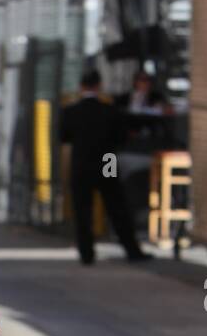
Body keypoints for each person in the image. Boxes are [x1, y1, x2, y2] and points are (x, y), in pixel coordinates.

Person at [59, 67, 151, 265]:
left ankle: (87, 253)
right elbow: (121, 137)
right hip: (106, 161)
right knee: (116, 206)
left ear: (81, 87)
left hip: (81, 164)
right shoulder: (109, 111)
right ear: (99, 86)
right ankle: (132, 250)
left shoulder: (71, 111)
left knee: (83, 210)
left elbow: (63, 137)